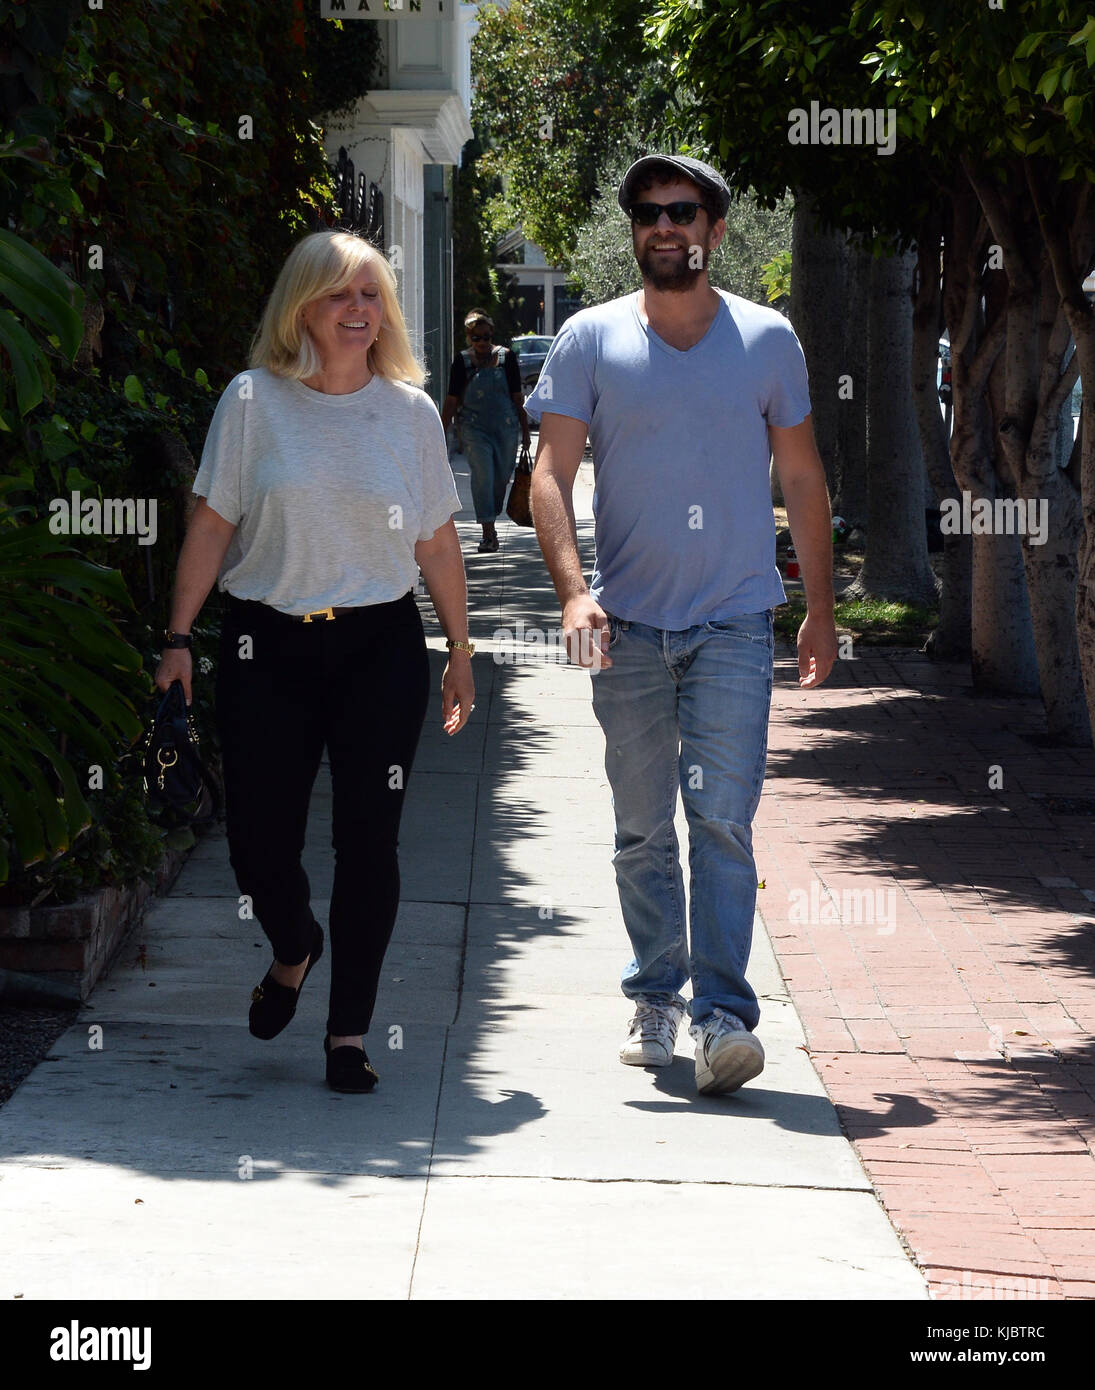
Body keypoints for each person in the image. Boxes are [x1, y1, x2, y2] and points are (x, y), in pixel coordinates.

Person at [527, 154, 837, 1095]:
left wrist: (819, 609)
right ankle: (655, 992)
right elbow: (547, 474)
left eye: (682, 211)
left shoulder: (766, 339)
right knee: (638, 831)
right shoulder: (588, 339)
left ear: (714, 227)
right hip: (624, 625)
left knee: (724, 826)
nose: (665, 227)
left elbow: (803, 478)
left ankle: (721, 1018)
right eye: (648, 213)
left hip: (735, 623)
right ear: (634, 230)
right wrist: (574, 593)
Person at [155, 229, 475, 1094]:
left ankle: (348, 1035)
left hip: (381, 646)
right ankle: (294, 946)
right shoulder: (253, 401)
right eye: (341, 295)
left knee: (371, 843)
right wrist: (179, 639)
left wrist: (461, 651)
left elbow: (437, 542)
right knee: (259, 844)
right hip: (268, 643)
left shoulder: (407, 412)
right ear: (302, 306)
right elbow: (213, 525)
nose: (360, 311)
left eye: (371, 295)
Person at [440, 311, 531, 552]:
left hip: (506, 429)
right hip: (474, 429)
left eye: (485, 336)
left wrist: (525, 430)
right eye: (476, 338)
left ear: (491, 334)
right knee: (483, 476)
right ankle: (488, 532)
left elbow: (517, 397)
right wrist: (439, 431)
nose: (481, 342)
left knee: (500, 479)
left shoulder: (506, 358)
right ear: (469, 337)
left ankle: (491, 516)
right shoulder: (462, 362)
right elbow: (451, 400)